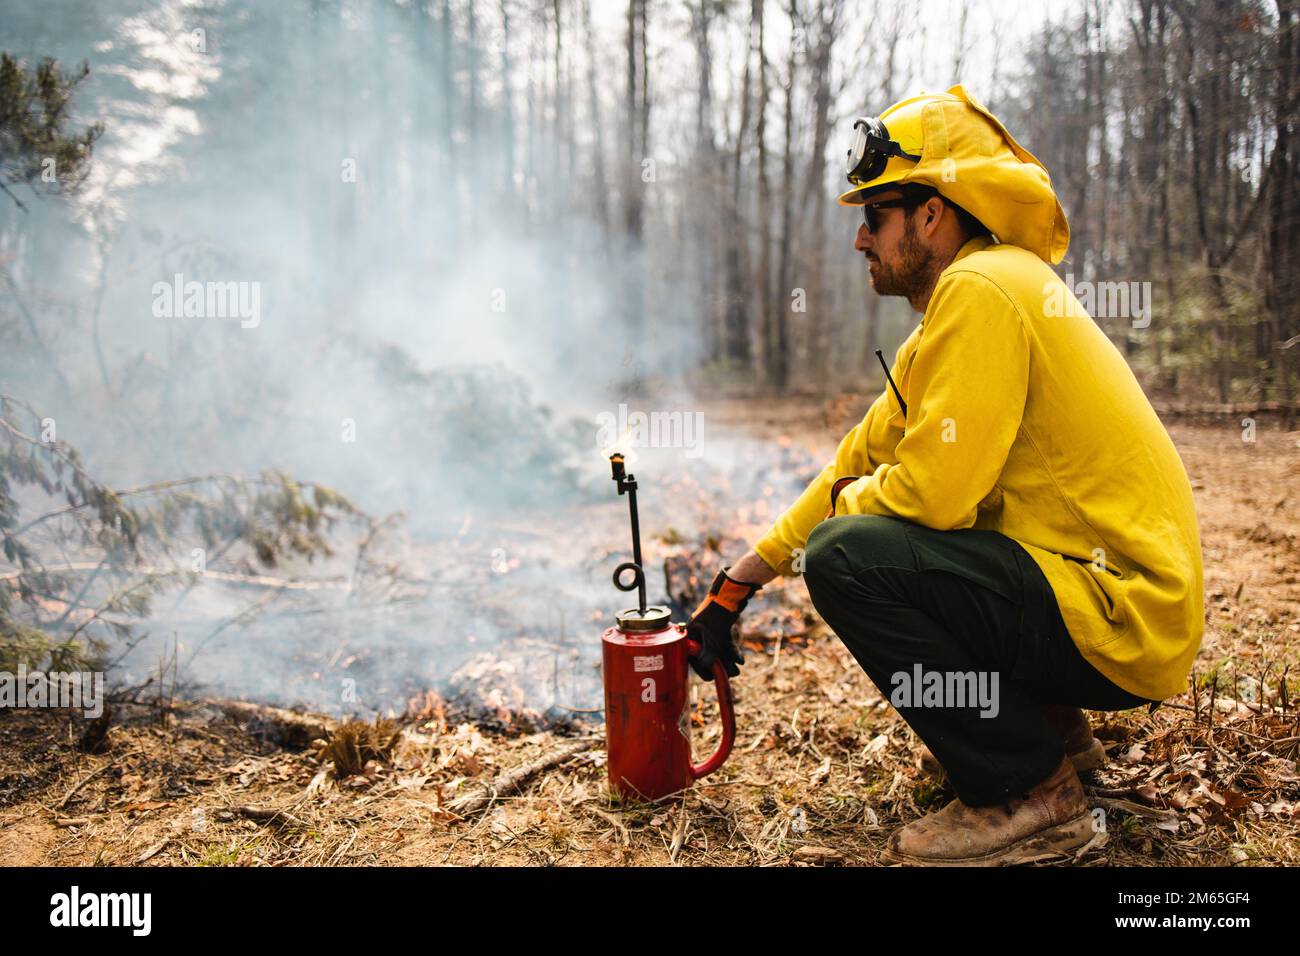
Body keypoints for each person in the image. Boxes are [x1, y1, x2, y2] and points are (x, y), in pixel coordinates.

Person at [685, 85, 1204, 866]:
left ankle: (1031, 792)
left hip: (1120, 613)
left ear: (931, 214)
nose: (860, 241)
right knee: (870, 536)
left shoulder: (983, 288)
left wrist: (839, 524)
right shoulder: (970, 305)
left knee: (850, 556)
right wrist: (739, 582)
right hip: (1113, 604)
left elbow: (931, 495)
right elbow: (852, 461)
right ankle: (1051, 734)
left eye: (873, 218)